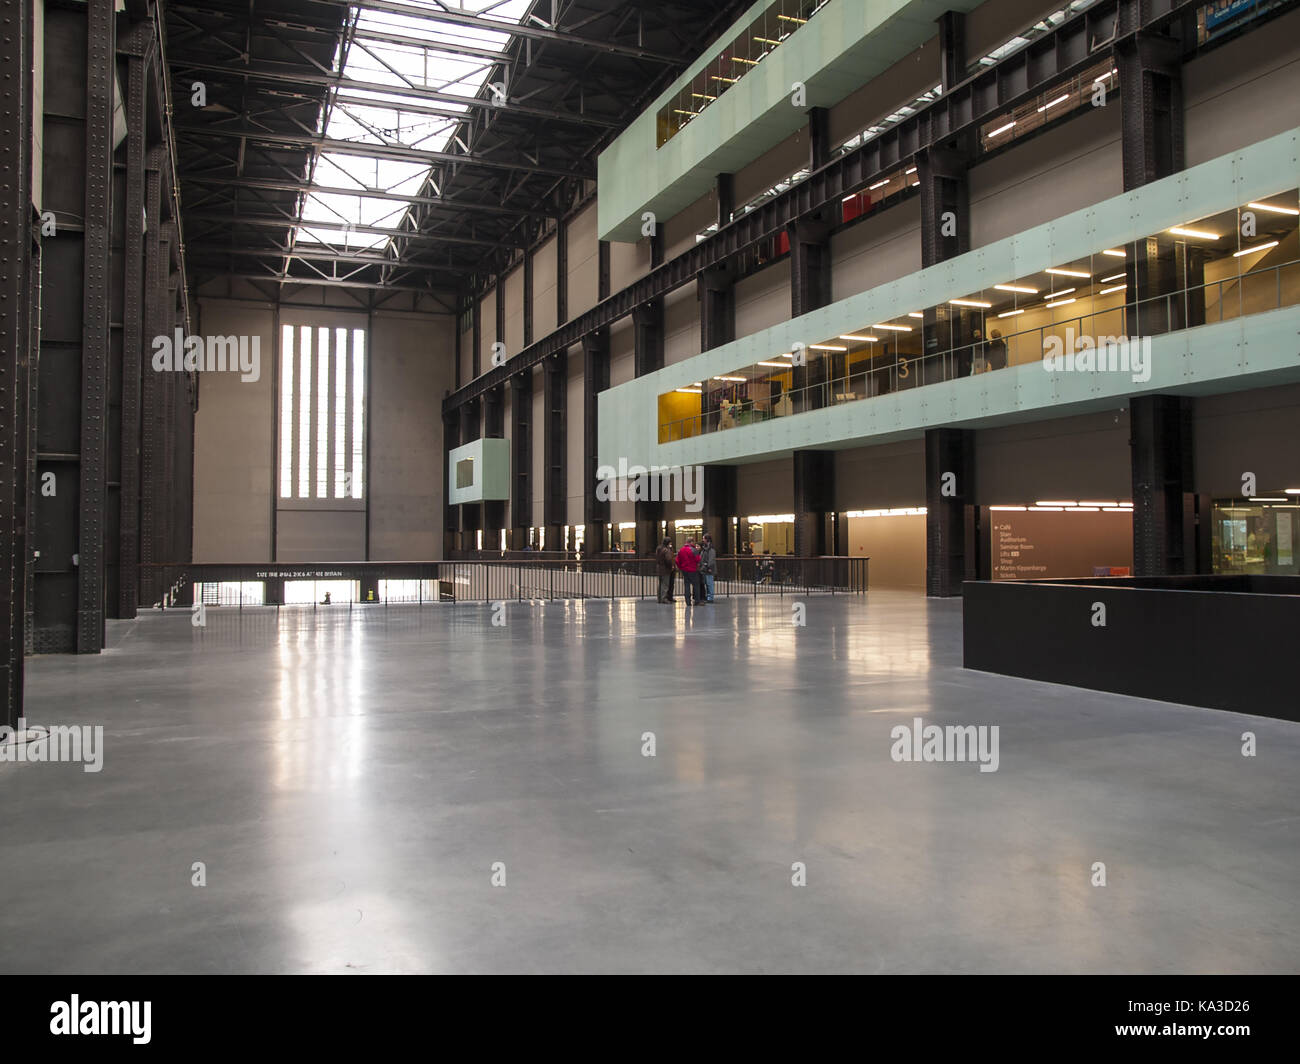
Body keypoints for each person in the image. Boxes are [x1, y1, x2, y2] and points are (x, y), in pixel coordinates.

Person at [676, 537, 701, 605]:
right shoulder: (694, 550)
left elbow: (677, 560)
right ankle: (697, 600)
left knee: (686, 585)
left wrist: (681, 567)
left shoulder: (681, 550)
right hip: (693, 570)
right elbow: (698, 560)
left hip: (684, 570)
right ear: (691, 542)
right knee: (696, 585)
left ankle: (688, 601)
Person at [655, 537, 676, 603]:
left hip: (660, 568)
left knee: (661, 583)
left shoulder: (659, 548)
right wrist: (672, 566)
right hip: (666, 569)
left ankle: (659, 598)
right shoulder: (666, 550)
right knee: (665, 584)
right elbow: (668, 560)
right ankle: (664, 598)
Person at [698, 533, 717, 603]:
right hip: (705, 569)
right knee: (707, 583)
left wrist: (708, 566)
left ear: (707, 539)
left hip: (708, 570)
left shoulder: (711, 549)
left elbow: (711, 559)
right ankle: (709, 596)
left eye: (703, 538)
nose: (703, 540)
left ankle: (710, 597)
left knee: (709, 583)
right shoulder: (705, 548)